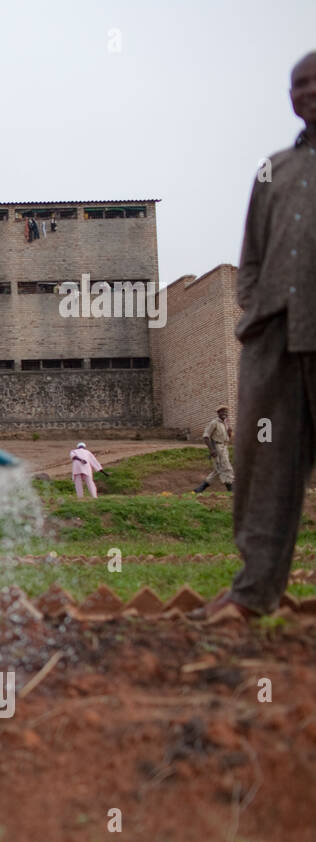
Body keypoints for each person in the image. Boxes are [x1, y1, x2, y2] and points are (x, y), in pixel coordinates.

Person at [192, 51, 316, 621]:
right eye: (298, 85)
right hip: (275, 338)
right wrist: (252, 315)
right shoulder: (275, 171)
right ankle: (253, 594)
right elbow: (251, 258)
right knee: (264, 466)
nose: (306, 92)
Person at [193, 405, 233, 493]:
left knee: (218, 470)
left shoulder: (225, 423)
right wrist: (212, 450)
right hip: (217, 447)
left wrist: (229, 431)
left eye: (226, 412)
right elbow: (206, 437)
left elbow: (228, 437)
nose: (224, 414)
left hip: (225, 447)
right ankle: (231, 489)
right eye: (222, 412)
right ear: (218, 413)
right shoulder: (214, 423)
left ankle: (200, 489)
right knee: (227, 467)